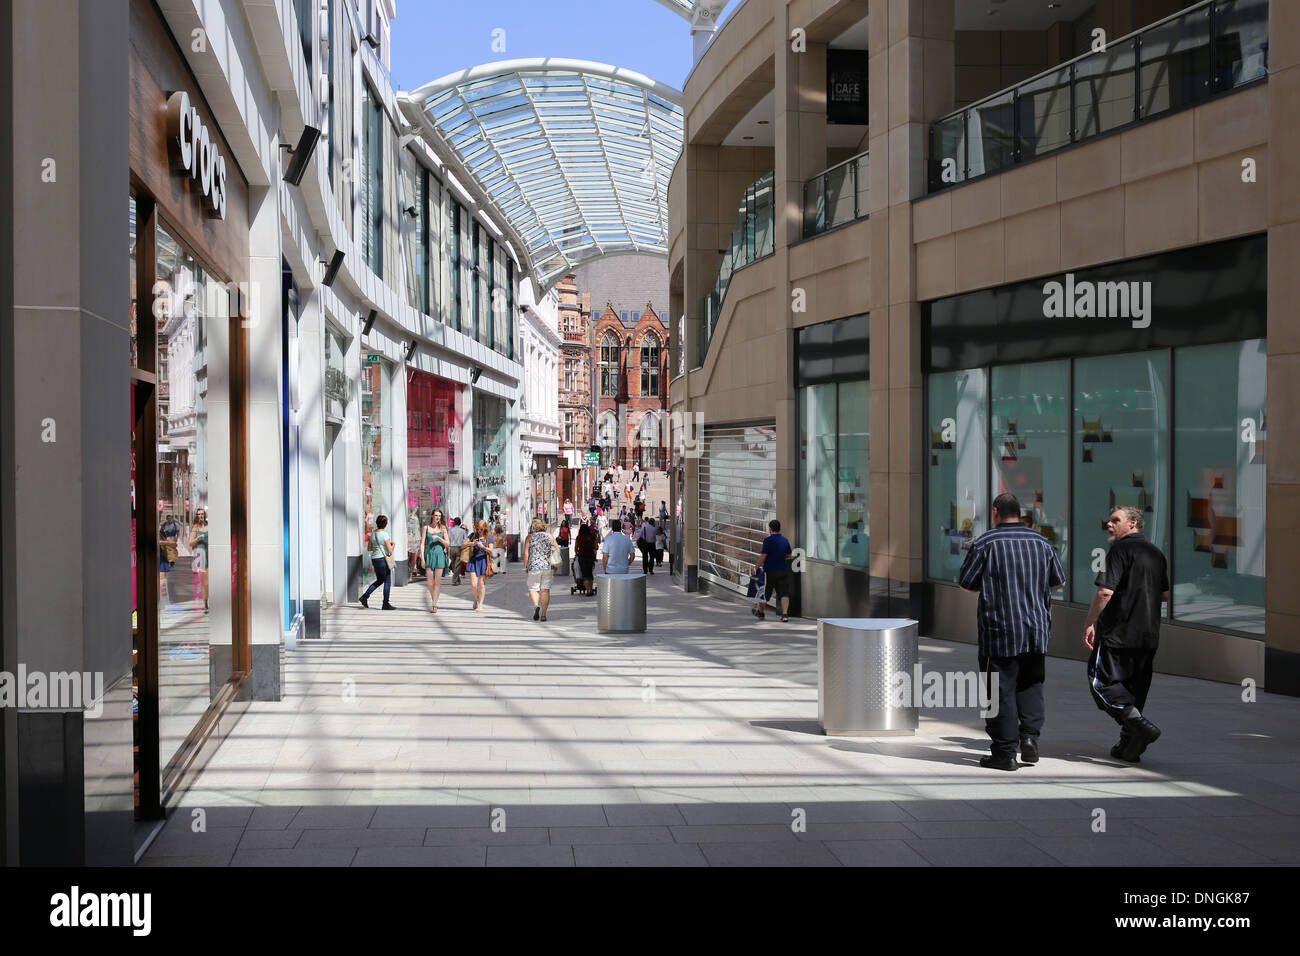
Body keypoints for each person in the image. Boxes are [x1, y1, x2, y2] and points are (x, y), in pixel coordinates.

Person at [958, 493, 1066, 771]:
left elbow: (967, 584)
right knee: (1031, 685)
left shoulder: (985, 543)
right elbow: (1058, 582)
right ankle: (1029, 738)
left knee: (1000, 691)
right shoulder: (1042, 543)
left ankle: (1004, 753)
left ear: (996, 512)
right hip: (1037, 628)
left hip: (1000, 630)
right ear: (1021, 513)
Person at [1083, 505, 1170, 763]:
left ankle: (1141, 728)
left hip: (1118, 634)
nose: (1109, 525)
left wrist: (1090, 622)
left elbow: (1105, 592)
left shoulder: (1120, 550)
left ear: (1133, 523)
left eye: (1115, 520)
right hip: (1148, 635)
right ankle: (1129, 745)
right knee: (1134, 690)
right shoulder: (1156, 554)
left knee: (1101, 682)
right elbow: (1164, 594)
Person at [752, 519, 793, 622]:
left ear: (770, 529)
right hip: (782, 571)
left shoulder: (767, 541)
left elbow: (763, 556)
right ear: (779, 529)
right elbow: (789, 555)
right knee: (784, 593)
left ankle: (761, 613)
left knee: (765, 594)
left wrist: (756, 567)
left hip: (769, 572)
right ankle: (785, 615)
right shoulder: (785, 540)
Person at [522, 517, 558, 621]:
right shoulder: (550, 537)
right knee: (545, 590)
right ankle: (543, 615)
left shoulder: (530, 537)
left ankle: (536, 606)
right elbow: (557, 551)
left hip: (534, 566)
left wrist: (526, 566)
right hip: (547, 566)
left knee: (533, 589)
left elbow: (526, 553)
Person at [360, 514, 396, 610]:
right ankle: (385, 604)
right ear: (385, 524)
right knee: (387, 581)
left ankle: (365, 596)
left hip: (375, 559)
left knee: (380, 580)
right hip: (383, 560)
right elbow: (390, 550)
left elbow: (369, 548)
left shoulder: (373, 534)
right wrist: (393, 544)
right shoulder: (385, 534)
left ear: (377, 523)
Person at [422, 509, 450, 613]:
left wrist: (439, 538)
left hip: (439, 555)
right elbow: (422, 544)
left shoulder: (443, 528)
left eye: (439, 516)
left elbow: (448, 543)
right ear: (432, 516)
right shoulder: (426, 528)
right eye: (436, 515)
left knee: (437, 582)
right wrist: (422, 558)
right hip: (429, 554)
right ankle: (434, 599)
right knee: (430, 582)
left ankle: (434, 604)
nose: (438, 517)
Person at [466, 520, 491, 611]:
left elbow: (491, 550)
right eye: (477, 529)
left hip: (483, 561)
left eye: (481, 529)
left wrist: (482, 546)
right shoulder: (473, 535)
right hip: (474, 560)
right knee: (473, 584)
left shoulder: (489, 536)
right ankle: (476, 599)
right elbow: (463, 545)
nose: (479, 531)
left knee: (481, 583)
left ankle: (481, 603)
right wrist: (472, 543)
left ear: (485, 528)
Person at [189, 507, 209, 610]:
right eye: (198, 514)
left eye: (202, 514)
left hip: (210, 553)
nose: (200, 516)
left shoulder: (209, 526)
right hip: (201, 555)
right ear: (196, 516)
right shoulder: (195, 527)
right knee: (204, 582)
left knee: (209, 582)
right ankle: (205, 602)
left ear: (204, 515)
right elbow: (190, 542)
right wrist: (198, 538)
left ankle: (207, 600)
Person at [574, 521, 598, 595]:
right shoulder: (593, 536)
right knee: (590, 573)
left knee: (584, 574)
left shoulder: (579, 537)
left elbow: (576, 548)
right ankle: (590, 589)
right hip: (590, 557)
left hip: (582, 557)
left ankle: (588, 591)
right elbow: (596, 547)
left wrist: (577, 553)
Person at [447, 516, 467, 585]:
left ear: (454, 523)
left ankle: (457, 580)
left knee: (453, 564)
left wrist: (447, 549)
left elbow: (448, 540)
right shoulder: (463, 531)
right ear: (460, 523)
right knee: (458, 565)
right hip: (459, 548)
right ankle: (455, 580)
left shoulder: (450, 530)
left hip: (451, 548)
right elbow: (465, 540)